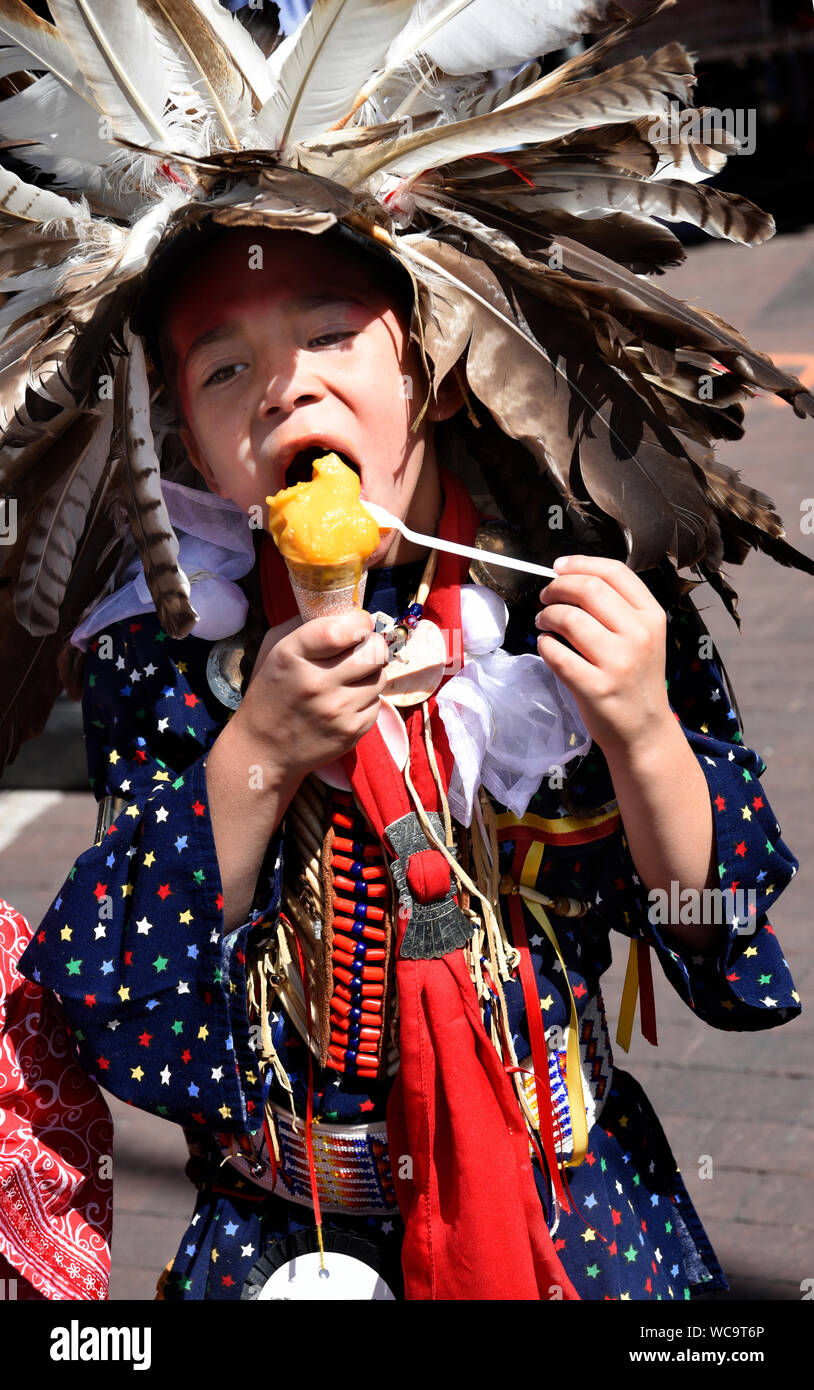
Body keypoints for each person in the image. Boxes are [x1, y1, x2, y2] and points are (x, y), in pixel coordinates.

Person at [2, 0, 810, 1302]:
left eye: (329, 335)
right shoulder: (167, 656)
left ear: (431, 372)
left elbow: (714, 941)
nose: (283, 386)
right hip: (287, 1240)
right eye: (224, 370)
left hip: (576, 1219)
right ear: (192, 449)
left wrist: (644, 731)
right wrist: (255, 756)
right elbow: (118, 1002)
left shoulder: (570, 598)